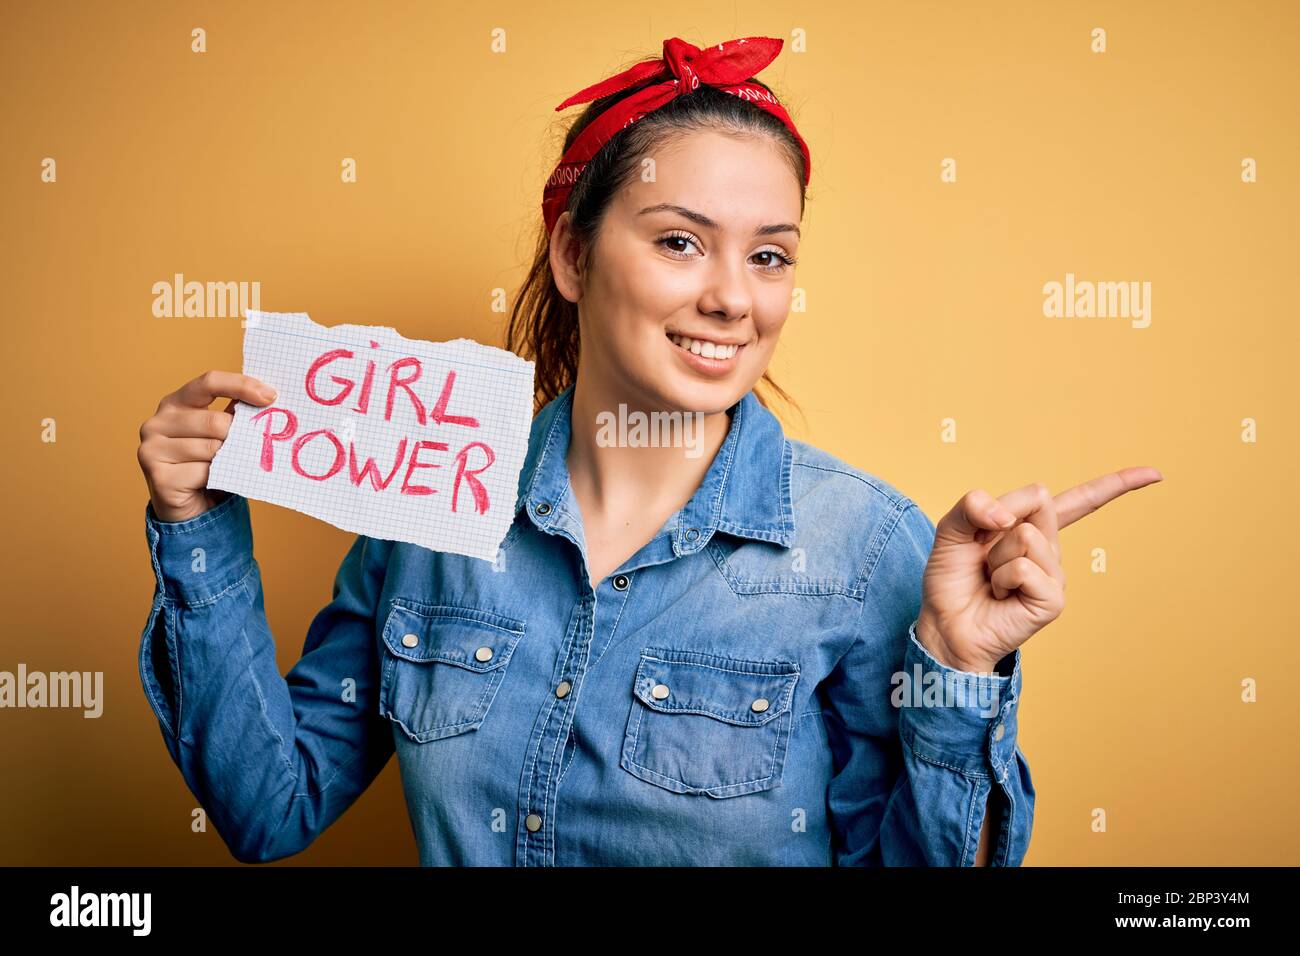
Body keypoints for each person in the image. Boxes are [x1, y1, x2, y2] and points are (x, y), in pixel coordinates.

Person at [134, 35, 1161, 866]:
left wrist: (958, 667)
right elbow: (270, 808)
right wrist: (197, 532)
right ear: (573, 254)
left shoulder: (865, 547)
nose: (730, 295)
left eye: (768, 255)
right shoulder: (430, 504)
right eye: (680, 240)